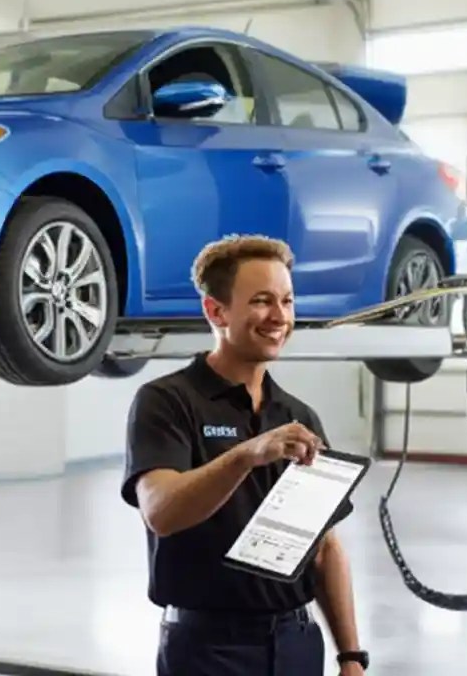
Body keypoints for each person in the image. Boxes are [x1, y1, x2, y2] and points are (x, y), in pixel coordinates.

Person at [120, 234, 367, 676]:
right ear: (216, 311)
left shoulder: (296, 414)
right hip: (207, 649)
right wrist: (247, 454)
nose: (279, 316)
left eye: (287, 301)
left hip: (296, 643)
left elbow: (325, 548)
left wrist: (350, 656)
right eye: (261, 301)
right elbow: (161, 511)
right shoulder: (167, 401)